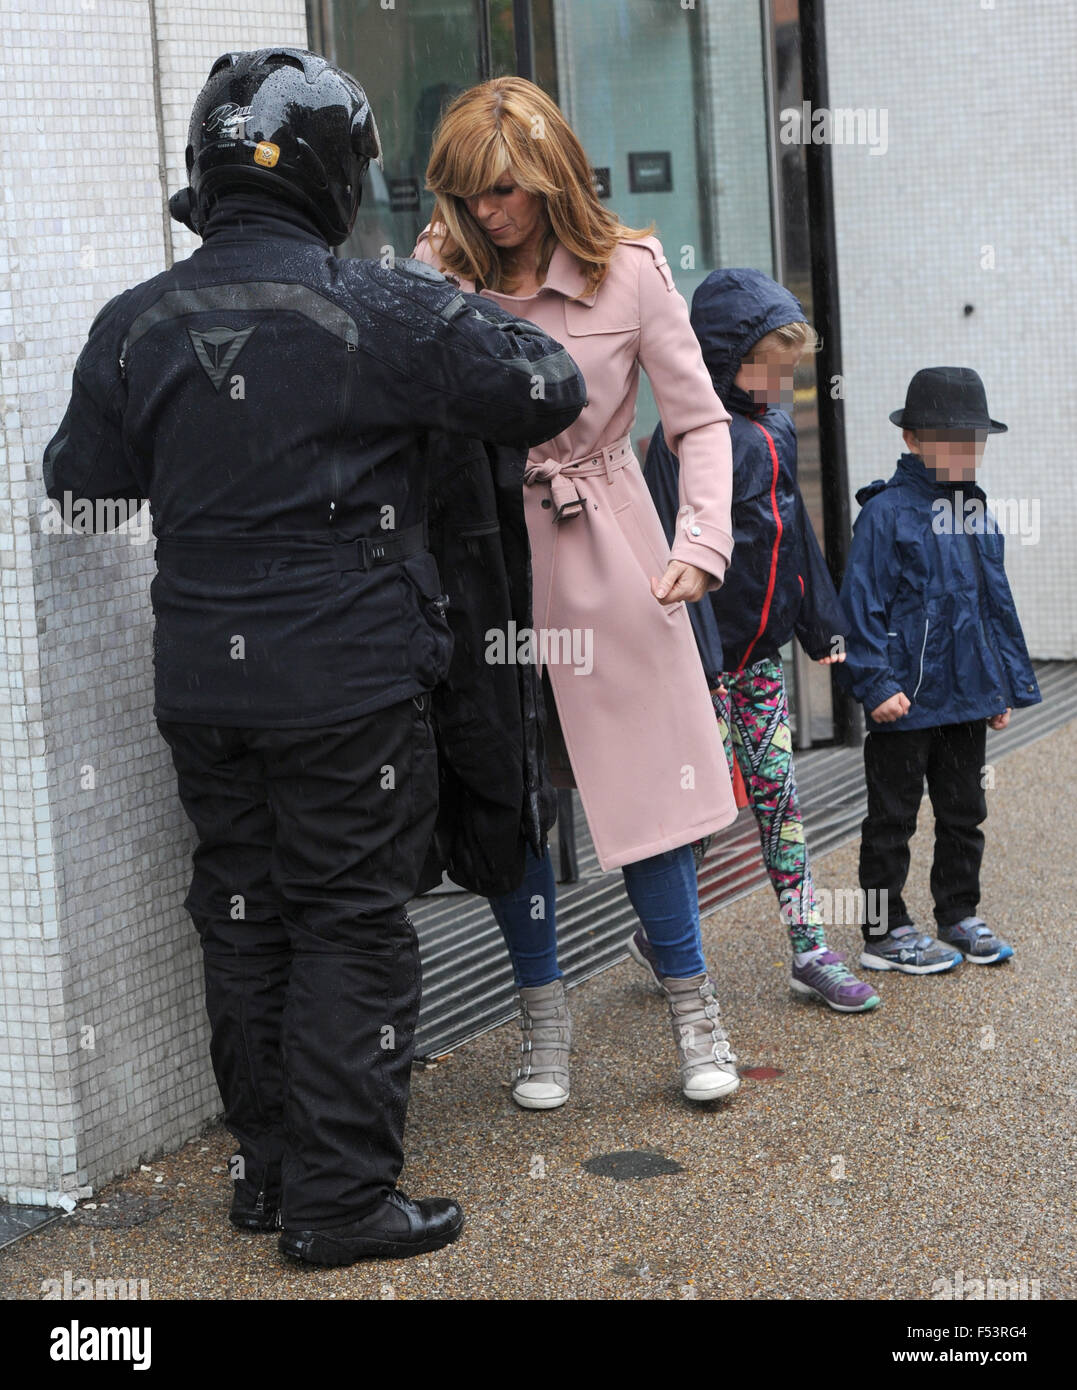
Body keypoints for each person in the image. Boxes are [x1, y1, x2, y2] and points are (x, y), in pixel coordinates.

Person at [42, 48, 584, 1267]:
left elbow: (80, 482)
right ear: (335, 175)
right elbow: (548, 383)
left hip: (203, 685)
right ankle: (341, 1204)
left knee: (243, 913)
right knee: (349, 921)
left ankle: (269, 1174)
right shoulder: (379, 305)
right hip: (346, 684)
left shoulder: (136, 322)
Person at [412, 77, 742, 1109]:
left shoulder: (630, 272)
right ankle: (541, 1017)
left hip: (609, 547)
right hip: (487, 558)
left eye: (504, 190)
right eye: (468, 194)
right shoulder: (436, 276)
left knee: (647, 796)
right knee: (508, 792)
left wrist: (701, 541)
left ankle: (694, 1004)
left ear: (551, 178)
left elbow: (700, 423)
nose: (486, 212)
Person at [645, 268, 879, 1012]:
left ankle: (809, 949)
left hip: (757, 663)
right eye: (767, 364)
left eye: (790, 369)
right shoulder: (682, 441)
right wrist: (702, 664)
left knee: (779, 799)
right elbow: (671, 551)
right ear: (721, 356)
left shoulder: (776, 427)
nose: (781, 382)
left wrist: (822, 624)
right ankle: (662, 933)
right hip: (698, 665)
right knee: (704, 811)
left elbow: (796, 529)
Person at [838, 367, 1041, 972]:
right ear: (913, 441)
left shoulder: (975, 511)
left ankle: (957, 913)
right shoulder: (886, 514)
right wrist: (875, 685)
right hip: (904, 700)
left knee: (964, 813)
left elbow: (992, 608)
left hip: (968, 697)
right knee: (891, 819)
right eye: (949, 440)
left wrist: (1000, 683)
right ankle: (883, 933)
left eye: (973, 442)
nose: (964, 453)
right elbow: (860, 608)